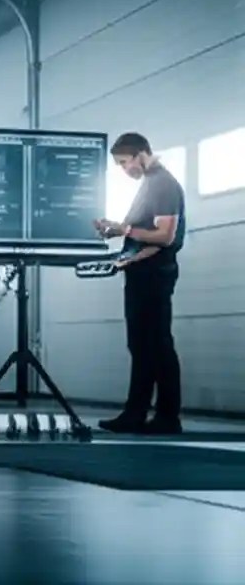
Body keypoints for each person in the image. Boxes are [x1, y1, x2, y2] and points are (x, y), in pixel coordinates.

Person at [92, 132, 186, 435]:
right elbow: (143, 230)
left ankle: (167, 418)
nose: (124, 170)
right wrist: (118, 232)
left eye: (124, 163)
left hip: (155, 274)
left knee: (157, 344)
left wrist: (124, 228)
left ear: (139, 155)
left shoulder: (163, 184)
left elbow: (165, 235)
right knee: (142, 345)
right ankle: (136, 414)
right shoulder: (150, 184)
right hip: (142, 272)